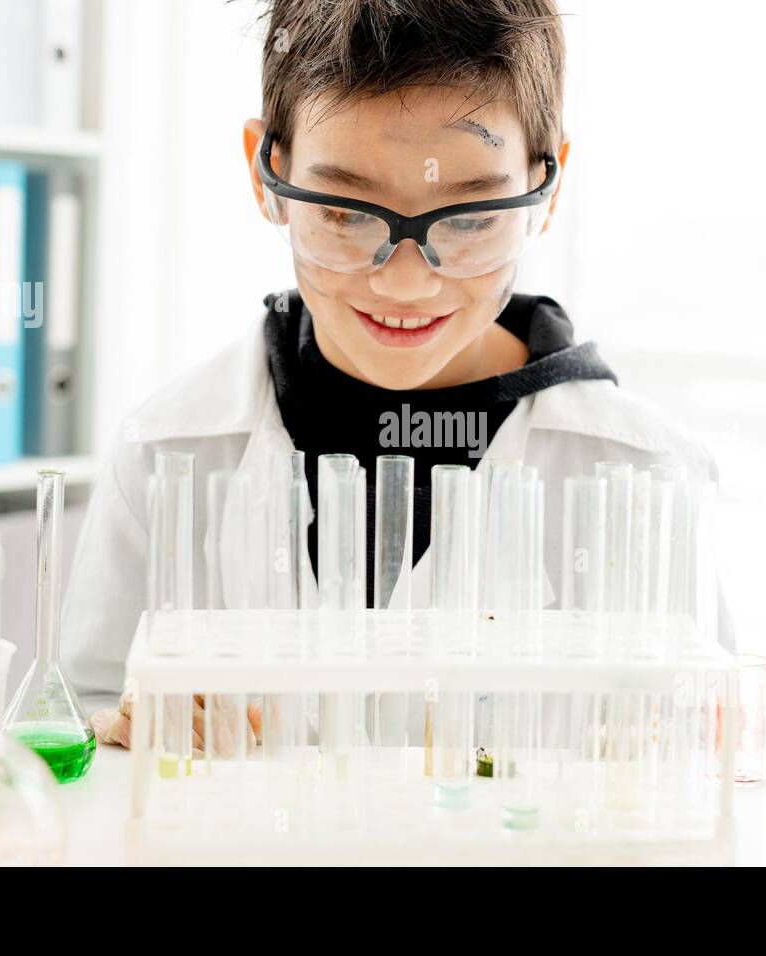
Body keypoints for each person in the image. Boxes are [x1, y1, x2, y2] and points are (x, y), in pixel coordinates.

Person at [68, 0, 728, 751]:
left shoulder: (652, 474)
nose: (407, 284)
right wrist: (115, 736)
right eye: (346, 212)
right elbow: (77, 719)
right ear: (267, 173)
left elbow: (722, 768)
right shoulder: (165, 449)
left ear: (548, 187)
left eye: (473, 217)